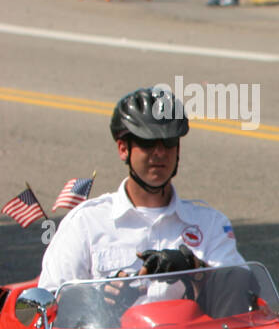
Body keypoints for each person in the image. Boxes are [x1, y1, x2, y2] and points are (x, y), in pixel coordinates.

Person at [38, 88, 243, 294]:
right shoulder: (86, 223)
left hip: (191, 327)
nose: (160, 152)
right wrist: (98, 299)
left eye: (169, 142)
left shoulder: (210, 224)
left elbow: (244, 296)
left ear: (178, 149)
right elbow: (49, 301)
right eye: (147, 142)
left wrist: (195, 268)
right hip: (111, 326)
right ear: (123, 149)